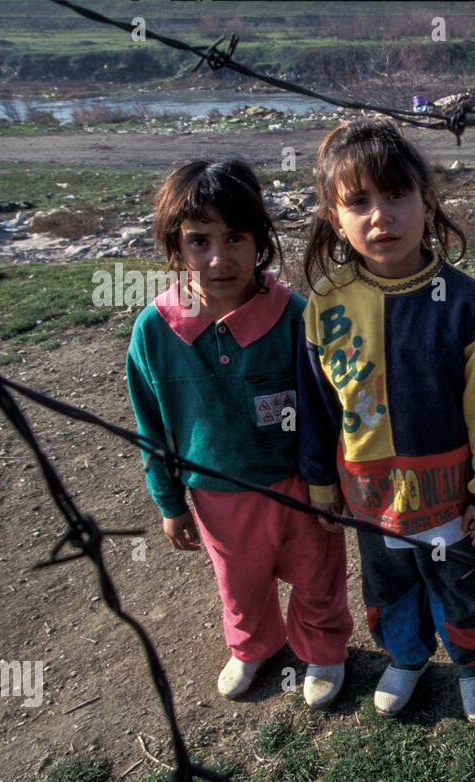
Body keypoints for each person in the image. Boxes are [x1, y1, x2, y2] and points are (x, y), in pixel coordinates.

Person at [297, 119, 475, 725]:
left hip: (450, 502)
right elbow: (316, 407)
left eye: (396, 195)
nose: (380, 217)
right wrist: (320, 486)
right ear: (333, 216)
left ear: (427, 199)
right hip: (368, 496)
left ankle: (474, 666)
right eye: (359, 202)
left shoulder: (466, 303)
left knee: (459, 588)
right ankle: (407, 657)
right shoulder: (325, 304)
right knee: (389, 586)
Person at [126, 160, 354, 708]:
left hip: (300, 487)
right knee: (240, 585)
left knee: (318, 576)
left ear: (261, 241)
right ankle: (254, 645)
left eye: (235, 238)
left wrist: (333, 483)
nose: (219, 258)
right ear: (175, 247)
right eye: (199, 240)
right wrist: (168, 500)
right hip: (218, 496)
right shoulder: (155, 330)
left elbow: (329, 410)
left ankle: (324, 651)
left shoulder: (296, 318)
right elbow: (149, 424)